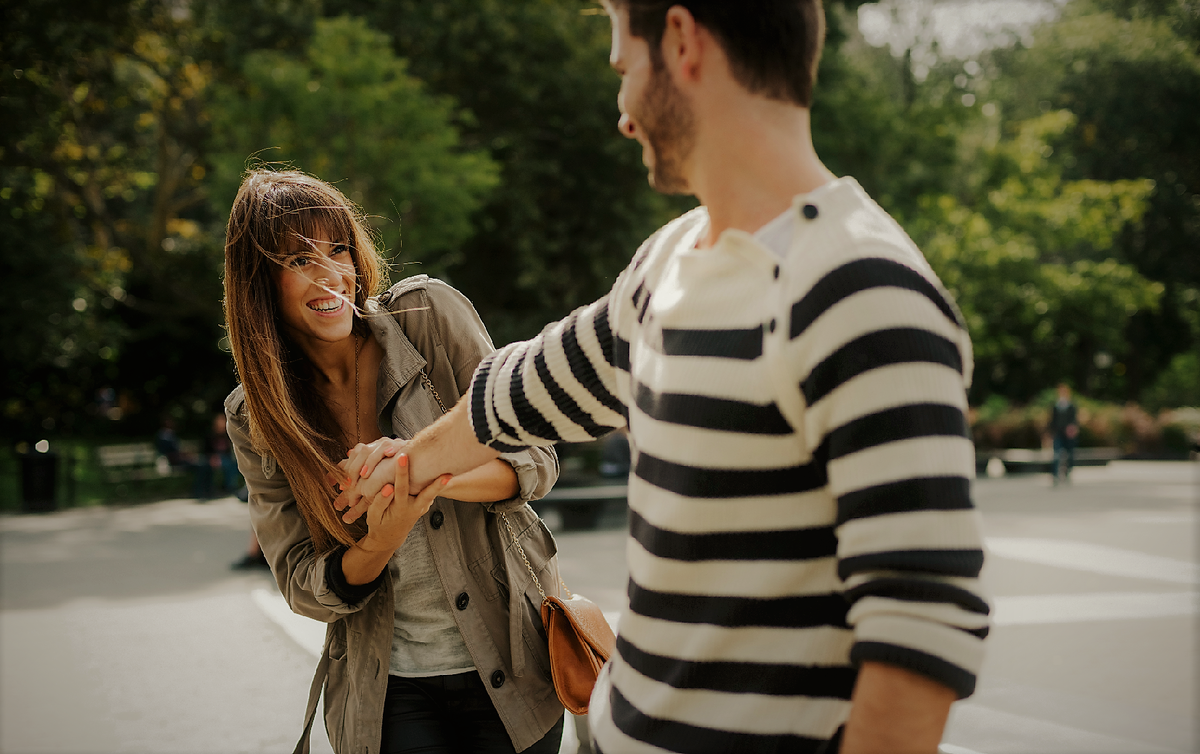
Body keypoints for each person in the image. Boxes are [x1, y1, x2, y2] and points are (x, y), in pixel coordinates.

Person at [339, 3, 991, 753]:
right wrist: (407, 463)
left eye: (623, 69)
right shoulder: (671, 261)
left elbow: (923, 631)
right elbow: (521, 391)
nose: (622, 115)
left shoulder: (861, 288)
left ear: (681, 41)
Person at [221, 170, 565, 754]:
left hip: (516, 664)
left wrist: (420, 471)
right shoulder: (257, 417)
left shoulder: (429, 317)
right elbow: (304, 585)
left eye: (338, 251)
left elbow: (534, 458)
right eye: (298, 261)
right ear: (260, 285)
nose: (330, 275)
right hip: (388, 692)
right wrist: (383, 538)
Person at [1049, 383, 1080, 484]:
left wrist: (1073, 429)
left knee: (1069, 454)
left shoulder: (1071, 405)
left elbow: (1075, 420)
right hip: (1058, 433)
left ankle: (1068, 472)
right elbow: (1052, 421)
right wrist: (1049, 433)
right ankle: (1055, 475)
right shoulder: (1056, 405)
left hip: (1069, 434)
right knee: (1057, 455)